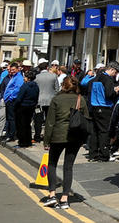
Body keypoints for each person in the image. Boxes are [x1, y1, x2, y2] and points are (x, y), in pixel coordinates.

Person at [41, 75, 86, 211]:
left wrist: (46, 140)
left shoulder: (57, 99)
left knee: (52, 163)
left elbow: (50, 122)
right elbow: (86, 119)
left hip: (58, 135)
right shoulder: (81, 99)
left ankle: (52, 194)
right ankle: (65, 198)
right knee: (68, 166)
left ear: (63, 86)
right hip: (75, 136)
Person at [87, 62, 119, 162]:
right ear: (112, 70)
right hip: (104, 107)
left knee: (94, 131)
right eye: (115, 72)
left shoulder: (96, 78)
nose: (115, 75)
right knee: (104, 132)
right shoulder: (108, 79)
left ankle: (93, 154)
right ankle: (104, 155)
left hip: (94, 106)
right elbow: (109, 94)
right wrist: (116, 90)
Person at [34, 62, 58, 143]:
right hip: (50, 101)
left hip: (39, 101)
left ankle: (37, 136)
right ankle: (48, 137)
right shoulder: (54, 76)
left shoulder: (36, 77)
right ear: (47, 68)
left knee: (38, 120)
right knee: (49, 120)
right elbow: (57, 89)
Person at [15, 69, 40, 147]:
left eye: (25, 77)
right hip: (31, 107)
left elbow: (19, 98)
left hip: (22, 107)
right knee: (27, 124)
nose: (23, 78)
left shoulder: (25, 86)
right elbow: (36, 97)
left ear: (28, 78)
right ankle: (28, 141)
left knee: (21, 125)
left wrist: (15, 106)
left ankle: (22, 141)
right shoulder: (36, 86)